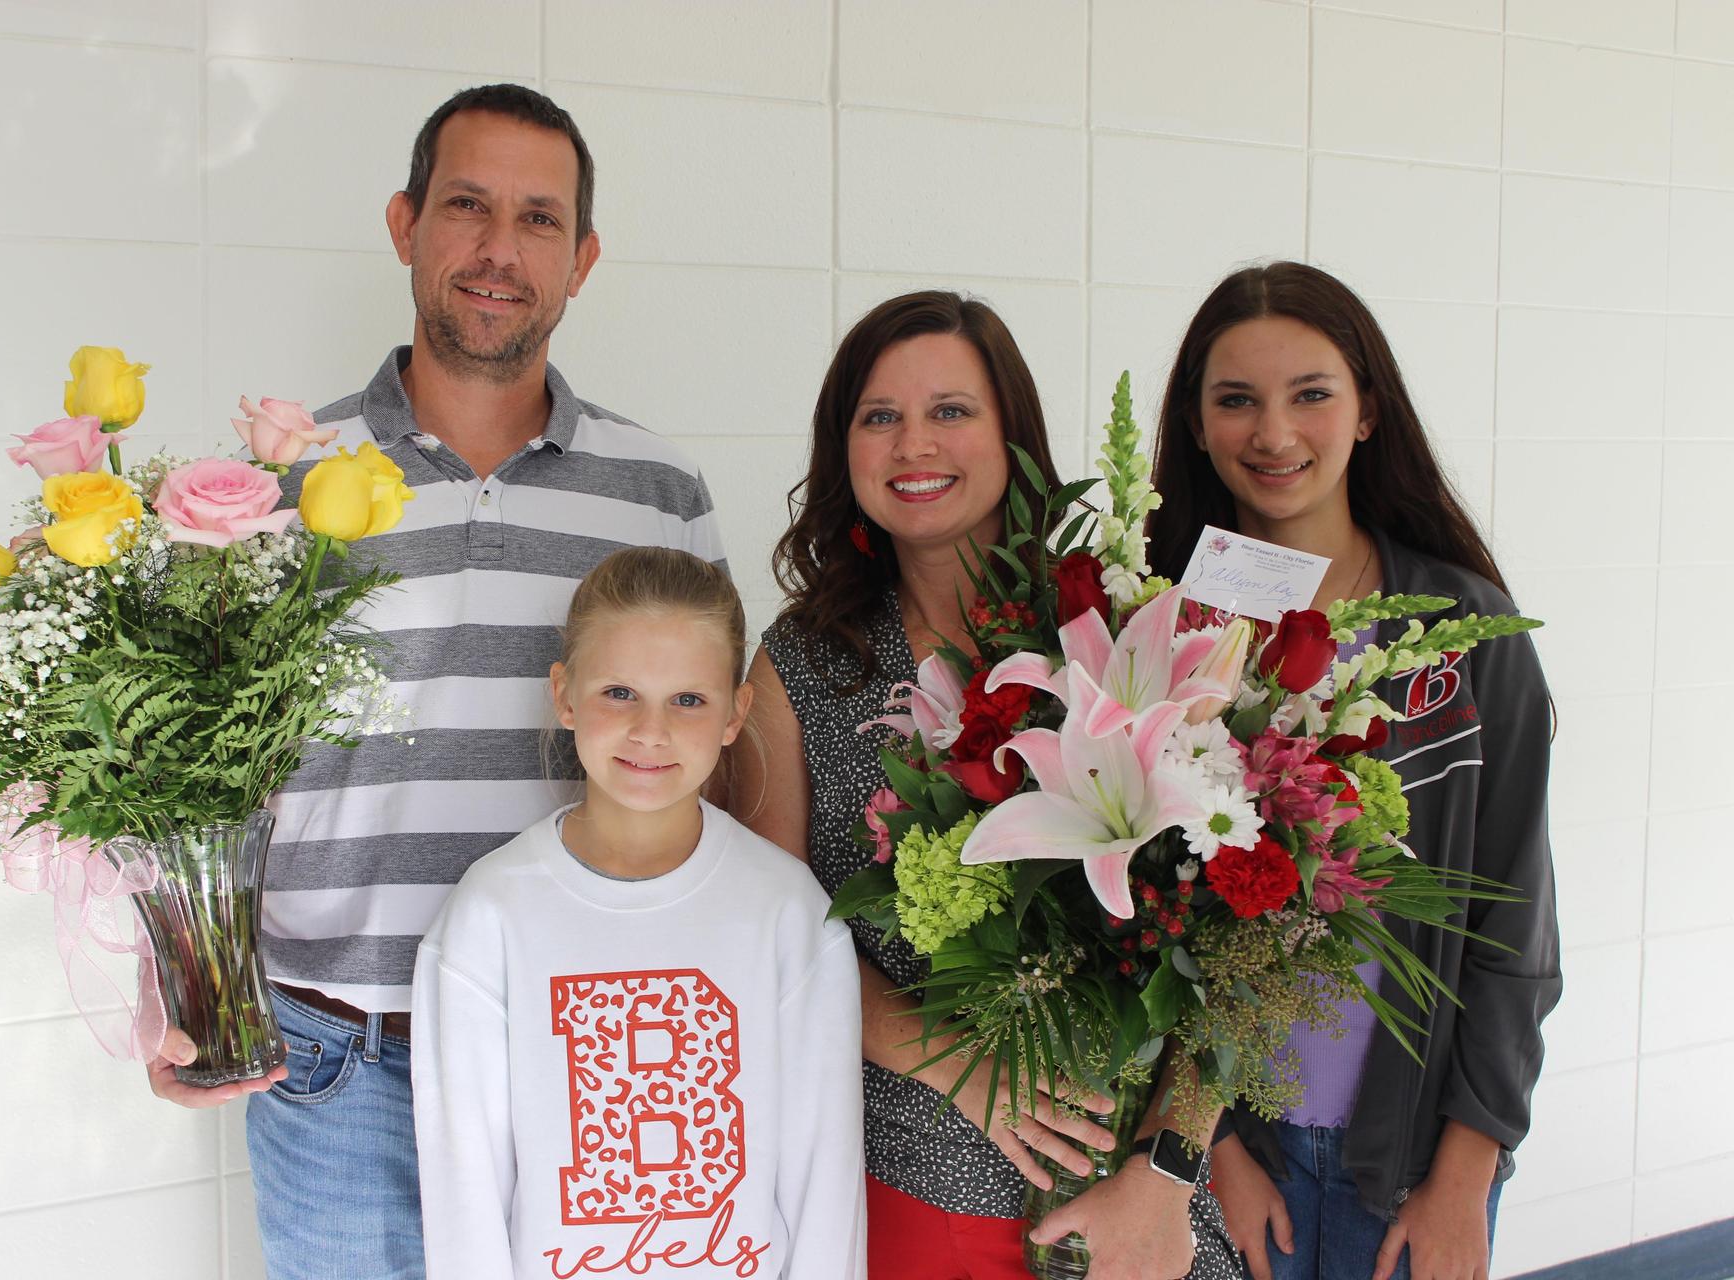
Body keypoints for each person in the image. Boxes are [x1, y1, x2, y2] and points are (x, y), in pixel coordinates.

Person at [144, 85, 725, 1280]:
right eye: (467, 205)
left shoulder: (659, 492)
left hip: (584, 1042)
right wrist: (171, 987)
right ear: (405, 223)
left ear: (584, 259)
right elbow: (185, 772)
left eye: (539, 218)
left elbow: (716, 761)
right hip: (339, 1064)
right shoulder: (269, 486)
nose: (500, 248)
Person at [732, 290, 1243, 1280]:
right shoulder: (798, 667)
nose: (914, 444)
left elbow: (1240, 943)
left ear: (1014, 434)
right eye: (880, 416)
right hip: (910, 1185)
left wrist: (1166, 1167)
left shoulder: (1119, 623)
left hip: (1138, 1204)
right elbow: (774, 939)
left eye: (951, 410)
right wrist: (966, 1067)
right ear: (844, 448)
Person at [1146, 261, 1560, 1280]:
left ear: (1368, 410)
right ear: (1196, 424)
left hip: (1412, 1168)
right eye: (1235, 400)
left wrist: (1465, 1173)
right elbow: (1133, 923)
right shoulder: (1158, 624)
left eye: (1311, 394)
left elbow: (1514, 926)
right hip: (1228, 1155)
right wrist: (1213, 1149)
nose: (1274, 433)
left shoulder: (1462, 633)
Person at [411, 546, 865, 1278]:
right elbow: (465, 1194)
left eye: (688, 700)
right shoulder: (490, 915)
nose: (651, 731)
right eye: (619, 692)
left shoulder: (787, 912)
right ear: (564, 696)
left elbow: (826, 1189)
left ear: (735, 713)